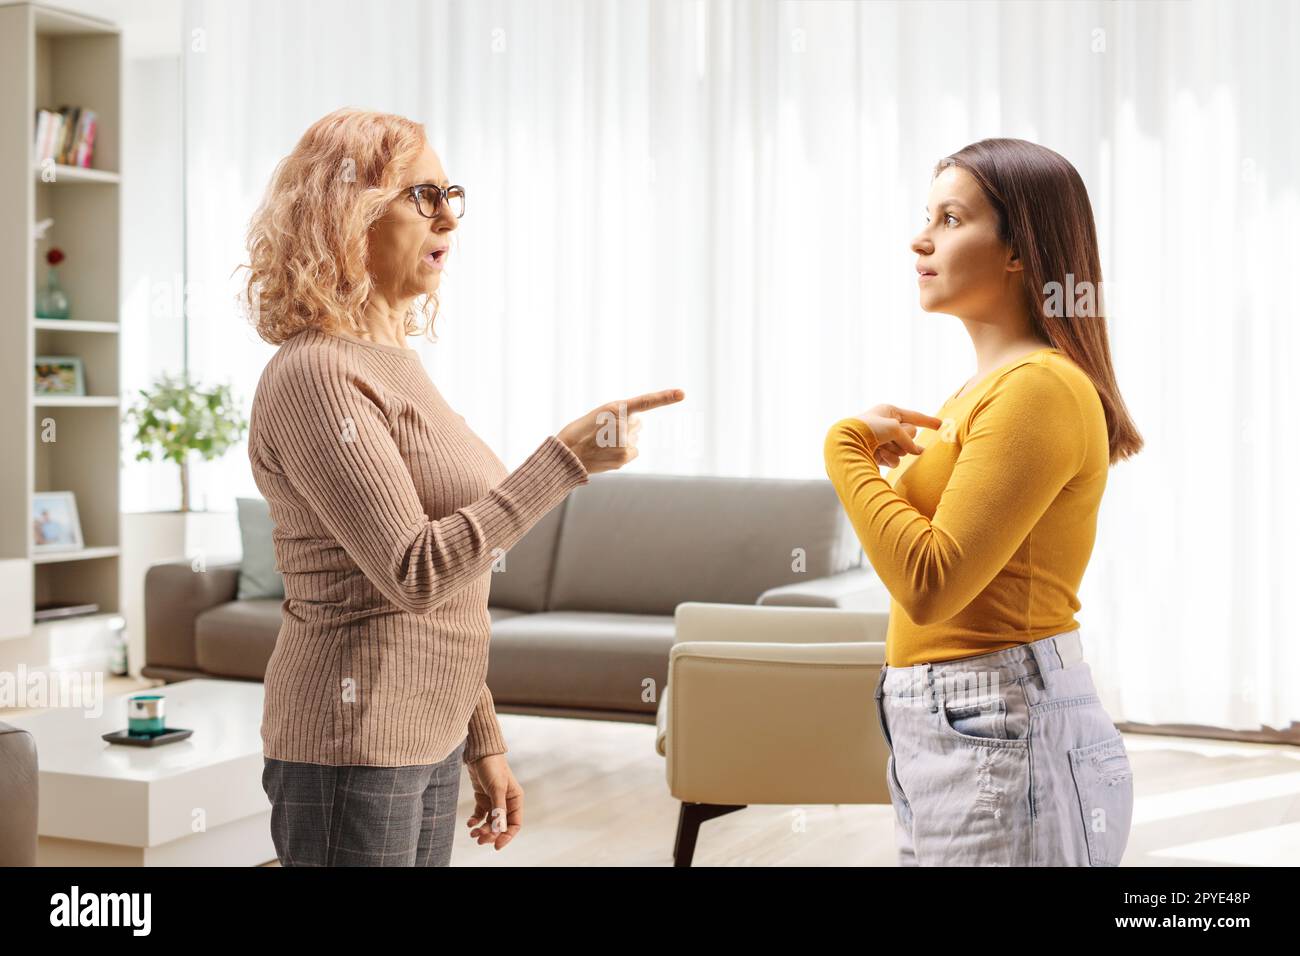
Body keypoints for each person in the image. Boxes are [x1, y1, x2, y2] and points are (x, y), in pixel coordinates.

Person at [240, 107, 683, 866]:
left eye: (451, 193)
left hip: (428, 736)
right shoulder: (317, 374)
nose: (449, 213)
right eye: (421, 194)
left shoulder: (397, 364)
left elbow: (453, 592)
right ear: (345, 213)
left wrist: (482, 738)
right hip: (352, 742)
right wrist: (563, 460)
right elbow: (415, 572)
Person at [824, 138, 1142, 866]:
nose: (920, 236)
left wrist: (845, 449)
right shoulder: (979, 393)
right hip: (961, 723)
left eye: (951, 217)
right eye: (925, 215)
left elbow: (931, 582)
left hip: (997, 721)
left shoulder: (1037, 388)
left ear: (1019, 252)